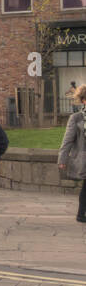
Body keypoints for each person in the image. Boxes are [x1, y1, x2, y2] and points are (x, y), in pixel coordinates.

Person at [57, 84, 86, 223]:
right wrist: (62, 159)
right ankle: (81, 215)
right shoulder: (76, 118)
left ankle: (81, 215)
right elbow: (67, 141)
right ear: (83, 100)